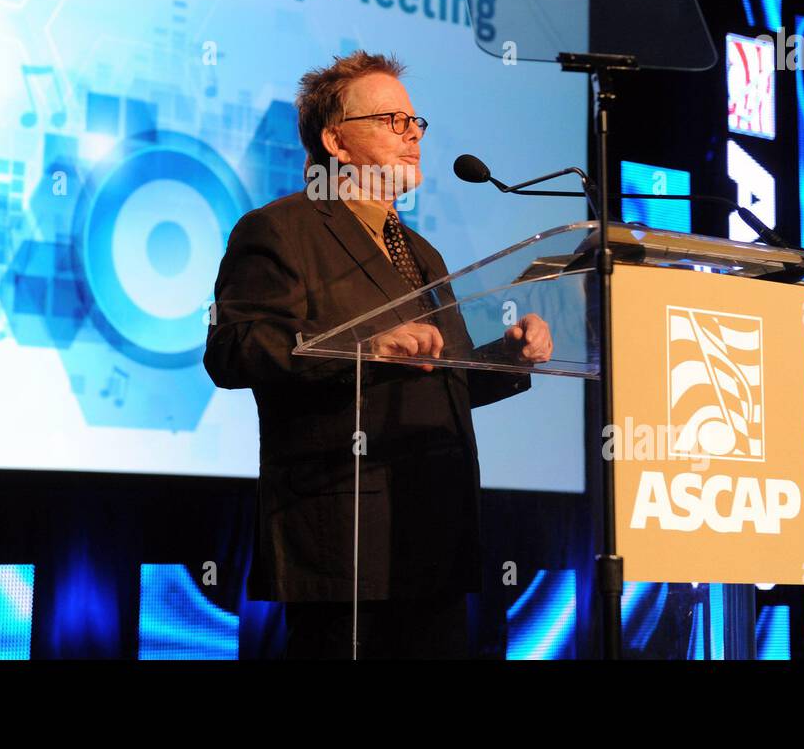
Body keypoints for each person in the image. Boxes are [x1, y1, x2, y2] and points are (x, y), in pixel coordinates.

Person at [203, 50, 552, 659]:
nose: (413, 135)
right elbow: (234, 352)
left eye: (415, 122)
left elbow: (447, 377)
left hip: (434, 529)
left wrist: (510, 357)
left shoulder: (423, 252)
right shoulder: (280, 230)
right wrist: (359, 349)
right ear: (336, 141)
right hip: (346, 537)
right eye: (393, 120)